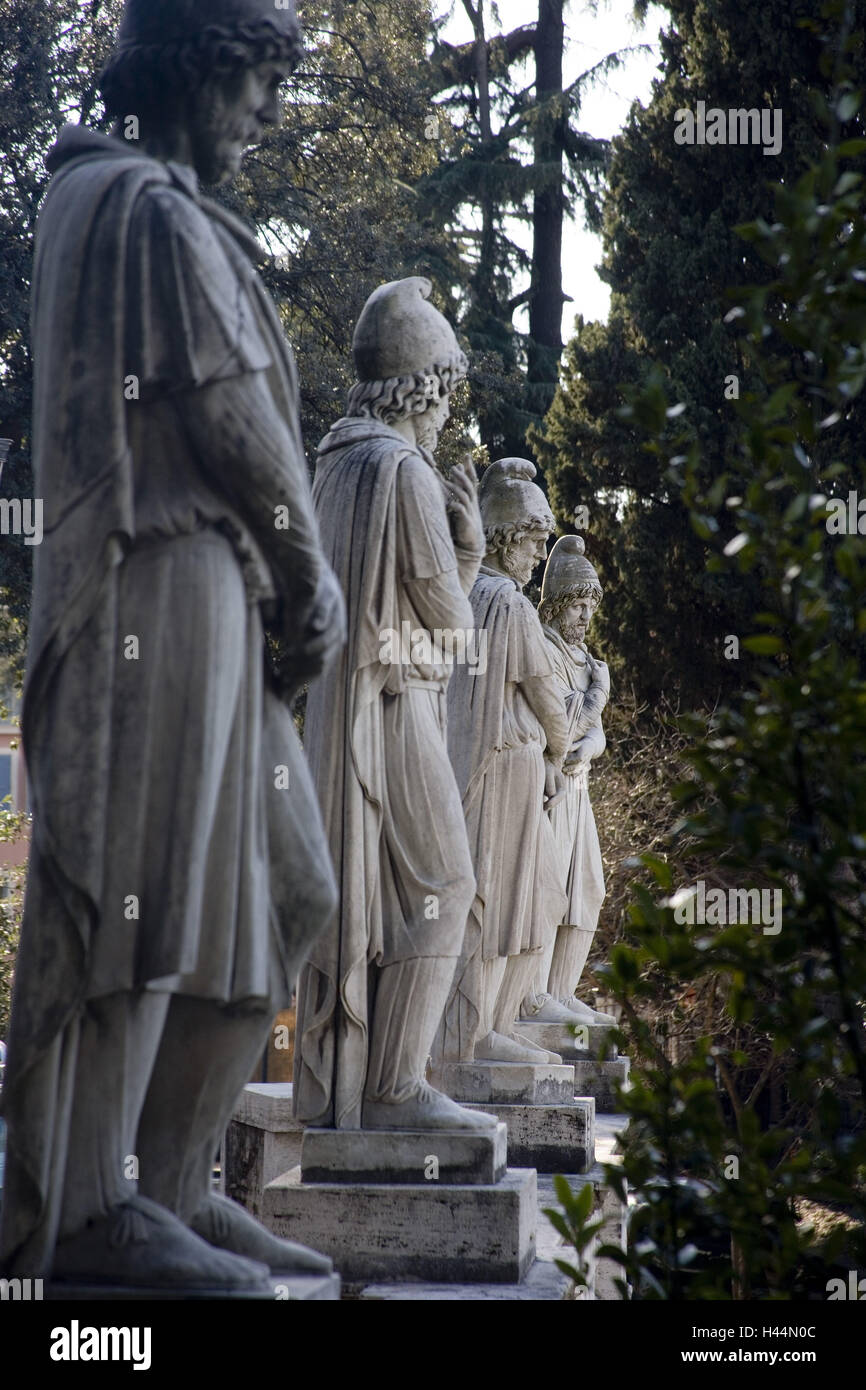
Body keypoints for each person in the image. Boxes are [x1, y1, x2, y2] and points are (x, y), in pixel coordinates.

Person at [0, 0, 344, 1291]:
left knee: (286, 886)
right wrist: (307, 567)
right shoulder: (139, 207)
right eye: (252, 81)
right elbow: (224, 408)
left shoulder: (147, 205)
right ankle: (90, 1207)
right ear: (192, 72)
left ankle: (174, 1185)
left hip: (223, 598)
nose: (264, 112)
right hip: (167, 580)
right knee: (145, 888)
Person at [294, 277, 497, 1134]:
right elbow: (453, 629)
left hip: (340, 716)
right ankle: (394, 1088)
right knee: (443, 887)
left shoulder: (334, 459)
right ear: (425, 387)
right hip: (394, 707)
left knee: (387, 899)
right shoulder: (404, 473)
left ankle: (369, 1086)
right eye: (448, 392)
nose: (450, 413)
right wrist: (473, 545)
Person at [438, 458, 570, 1065]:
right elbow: (547, 697)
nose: (540, 556)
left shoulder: (462, 592)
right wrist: (562, 749)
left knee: (508, 897)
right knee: (511, 898)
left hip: (468, 768)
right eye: (538, 541)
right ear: (512, 537)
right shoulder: (510, 606)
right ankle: (476, 1035)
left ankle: (487, 1025)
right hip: (506, 771)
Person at [521, 535, 614, 1027]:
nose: (584, 616)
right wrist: (596, 697)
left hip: (579, 787)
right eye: (576, 605)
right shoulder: (545, 651)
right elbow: (561, 724)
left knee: (589, 890)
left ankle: (561, 991)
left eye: (589, 606)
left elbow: (592, 735)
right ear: (555, 605)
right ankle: (532, 998)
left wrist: (593, 742)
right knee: (549, 889)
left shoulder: (584, 660)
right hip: (548, 790)